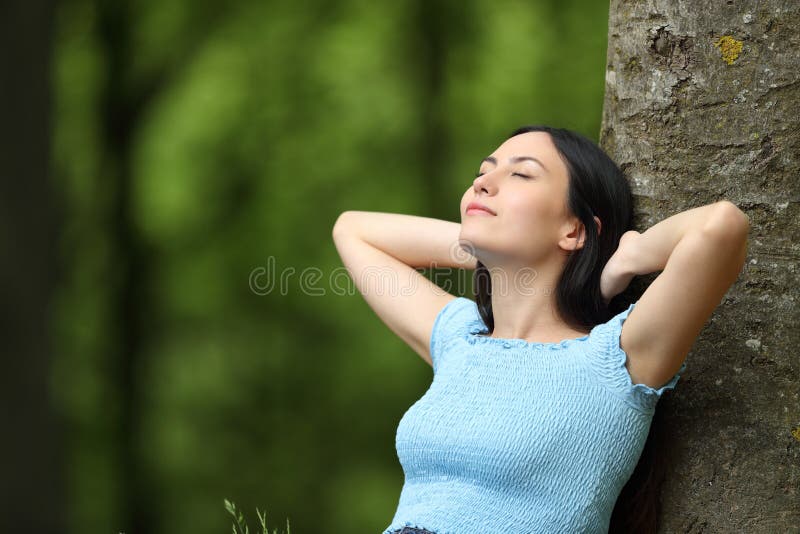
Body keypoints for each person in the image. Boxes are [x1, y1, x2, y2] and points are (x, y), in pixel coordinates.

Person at [331, 125, 749, 533]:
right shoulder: (459, 338)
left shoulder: (614, 360)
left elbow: (721, 227)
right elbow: (352, 229)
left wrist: (625, 257)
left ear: (574, 229)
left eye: (520, 174)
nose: (484, 183)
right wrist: (478, 245)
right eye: (483, 172)